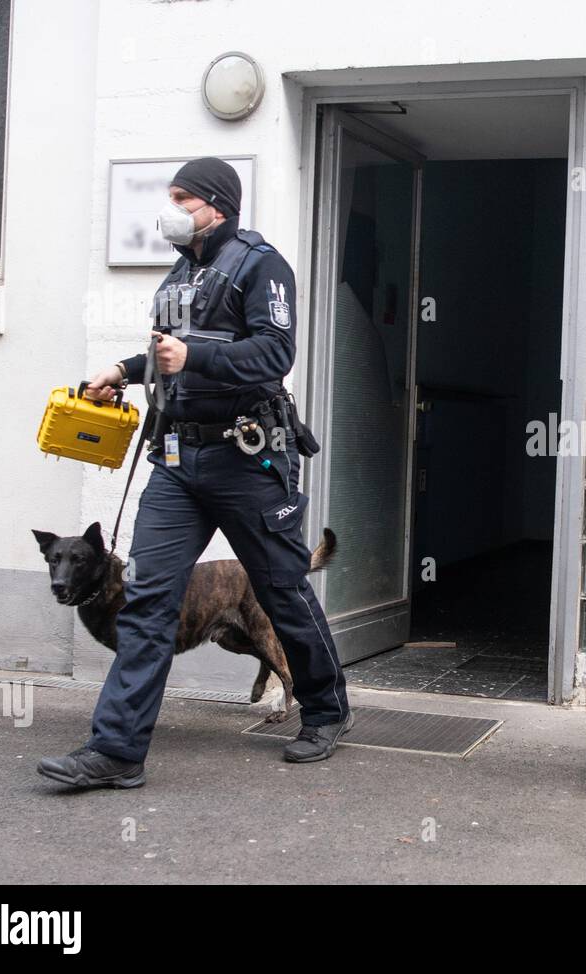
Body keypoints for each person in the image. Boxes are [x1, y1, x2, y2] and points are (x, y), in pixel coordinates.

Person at [37, 157, 353, 790]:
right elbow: (165, 355)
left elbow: (275, 351)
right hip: (178, 462)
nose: (172, 209)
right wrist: (123, 373)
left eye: (183, 198)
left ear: (216, 204)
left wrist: (196, 355)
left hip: (247, 457)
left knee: (284, 588)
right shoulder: (183, 273)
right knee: (148, 599)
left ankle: (326, 709)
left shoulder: (260, 264)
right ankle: (117, 752)